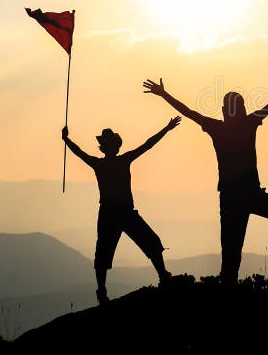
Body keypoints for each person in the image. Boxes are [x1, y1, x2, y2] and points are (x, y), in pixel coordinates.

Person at [142, 70, 268, 284]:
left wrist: (164, 94)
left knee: (231, 255)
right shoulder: (249, 123)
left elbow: (188, 112)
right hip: (252, 195)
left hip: (230, 199)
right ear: (242, 108)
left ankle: (230, 288)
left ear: (224, 110)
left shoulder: (217, 128)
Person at [62, 116, 181, 304]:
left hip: (109, 213)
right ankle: (163, 276)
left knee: (104, 252)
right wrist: (166, 129)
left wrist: (66, 140)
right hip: (124, 212)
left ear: (104, 147)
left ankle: (102, 292)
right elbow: (147, 145)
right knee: (149, 242)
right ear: (116, 146)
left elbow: (79, 153)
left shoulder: (99, 164)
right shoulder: (123, 160)